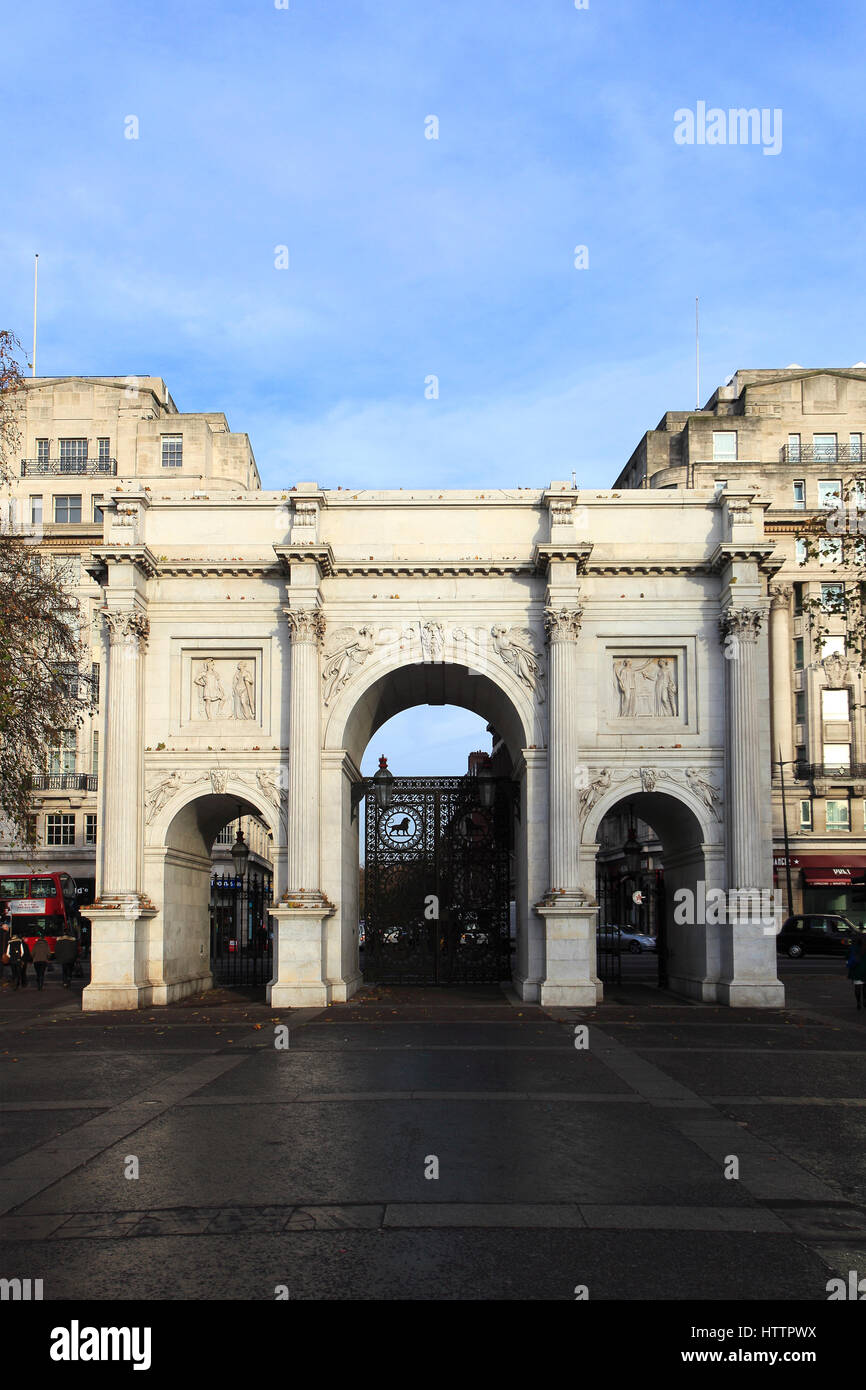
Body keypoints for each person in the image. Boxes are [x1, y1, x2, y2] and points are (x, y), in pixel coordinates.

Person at [846, 934, 866, 1011]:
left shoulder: (853, 948)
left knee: (857, 987)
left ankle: (858, 1002)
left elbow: (847, 957)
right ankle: (865, 1000)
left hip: (856, 970)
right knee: (865, 987)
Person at [0, 901, 11, 984]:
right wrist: (5, 953)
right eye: (7, 927)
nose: (8, 928)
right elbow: (5, 943)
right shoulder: (4, 934)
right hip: (2, 952)